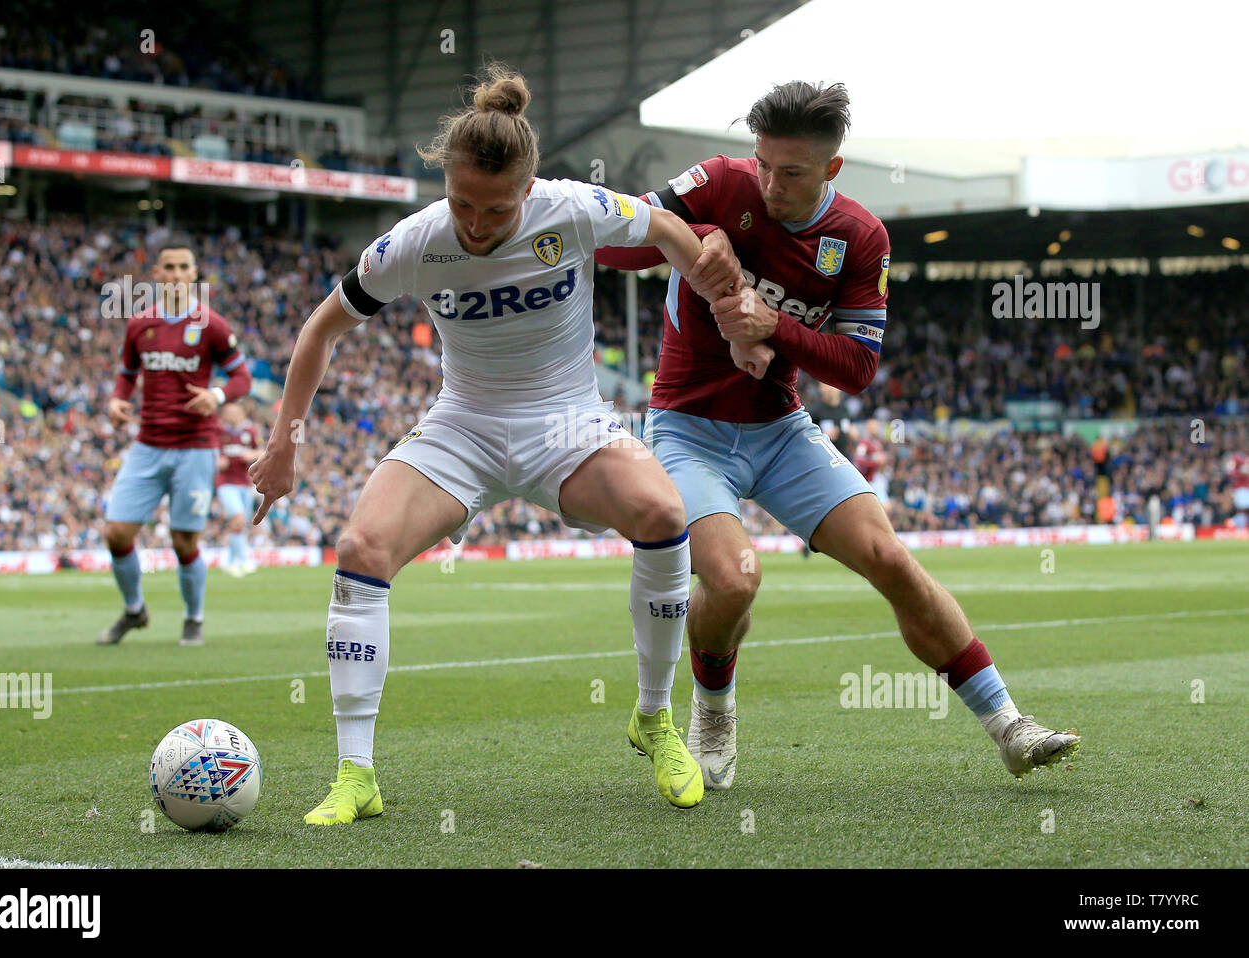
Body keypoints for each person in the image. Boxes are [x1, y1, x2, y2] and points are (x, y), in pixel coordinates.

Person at [250, 65, 768, 820]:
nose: (476, 223)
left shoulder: (574, 208)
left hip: (568, 423)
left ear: (528, 192)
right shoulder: (417, 241)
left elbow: (663, 232)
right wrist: (284, 443)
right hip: (463, 424)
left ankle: (654, 717)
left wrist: (724, 296)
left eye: (495, 209)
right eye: (462, 202)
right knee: (362, 547)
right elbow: (322, 328)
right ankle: (355, 777)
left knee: (661, 513)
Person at [595, 80, 1079, 788]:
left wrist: (776, 327)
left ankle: (1008, 725)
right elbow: (612, 245)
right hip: (687, 429)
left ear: (832, 169)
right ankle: (714, 710)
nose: (768, 184)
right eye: (762, 163)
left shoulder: (859, 237)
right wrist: (703, 237)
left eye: (789, 172)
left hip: (780, 429)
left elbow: (856, 368)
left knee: (889, 555)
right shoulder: (720, 185)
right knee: (734, 580)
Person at [99, 239, 252, 647]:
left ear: (194, 273)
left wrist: (215, 396)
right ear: (157, 273)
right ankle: (135, 611)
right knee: (116, 533)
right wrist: (117, 400)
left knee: (184, 540)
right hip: (147, 443)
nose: (176, 274)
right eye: (168, 267)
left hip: (197, 447)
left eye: (184, 267)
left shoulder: (212, 326)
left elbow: (242, 379)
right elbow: (126, 372)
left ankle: (193, 618)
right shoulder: (139, 325)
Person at [215, 402, 262, 576]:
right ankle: (241, 560)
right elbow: (211, 454)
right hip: (225, 483)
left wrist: (252, 455)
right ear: (224, 415)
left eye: (237, 412)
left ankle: (229, 560)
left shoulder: (249, 432)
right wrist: (217, 463)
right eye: (230, 412)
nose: (234, 415)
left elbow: (261, 451)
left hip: (244, 482)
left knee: (241, 524)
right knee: (238, 518)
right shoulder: (219, 432)